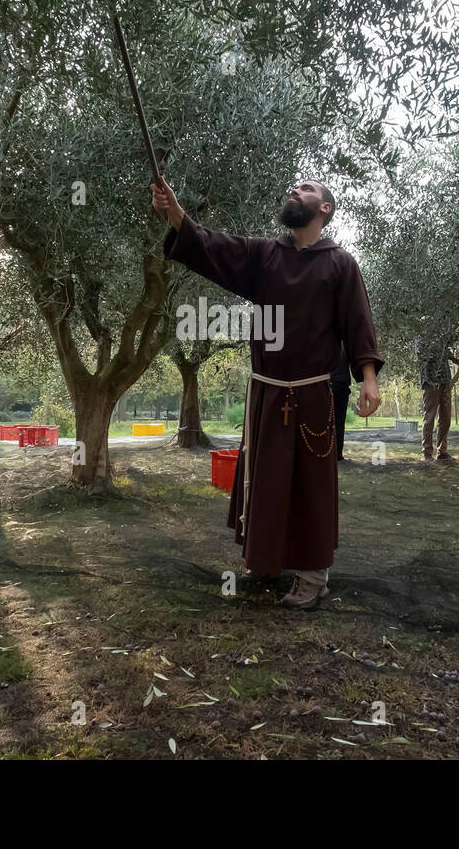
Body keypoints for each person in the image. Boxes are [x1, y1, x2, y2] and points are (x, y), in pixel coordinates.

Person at [153, 177, 383, 609]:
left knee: (310, 487)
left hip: (314, 396)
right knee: (268, 481)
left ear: (325, 209)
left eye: (308, 189)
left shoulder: (341, 264)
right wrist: (175, 214)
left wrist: (368, 377)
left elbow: (358, 323)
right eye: (294, 187)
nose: (296, 191)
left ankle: (313, 576)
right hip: (269, 393)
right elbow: (211, 246)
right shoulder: (263, 255)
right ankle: (267, 560)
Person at [414, 318, 454, 462]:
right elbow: (426, 354)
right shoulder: (420, 340)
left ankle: (442, 451)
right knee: (430, 416)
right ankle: (427, 452)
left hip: (445, 379)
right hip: (430, 381)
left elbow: (451, 341)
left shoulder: (441, 338)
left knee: (446, 417)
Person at [330, 342, 352, 462]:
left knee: (325, 420)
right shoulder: (345, 344)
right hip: (342, 385)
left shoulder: (324, 340)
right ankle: (338, 453)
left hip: (326, 384)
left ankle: (329, 452)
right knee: (339, 421)